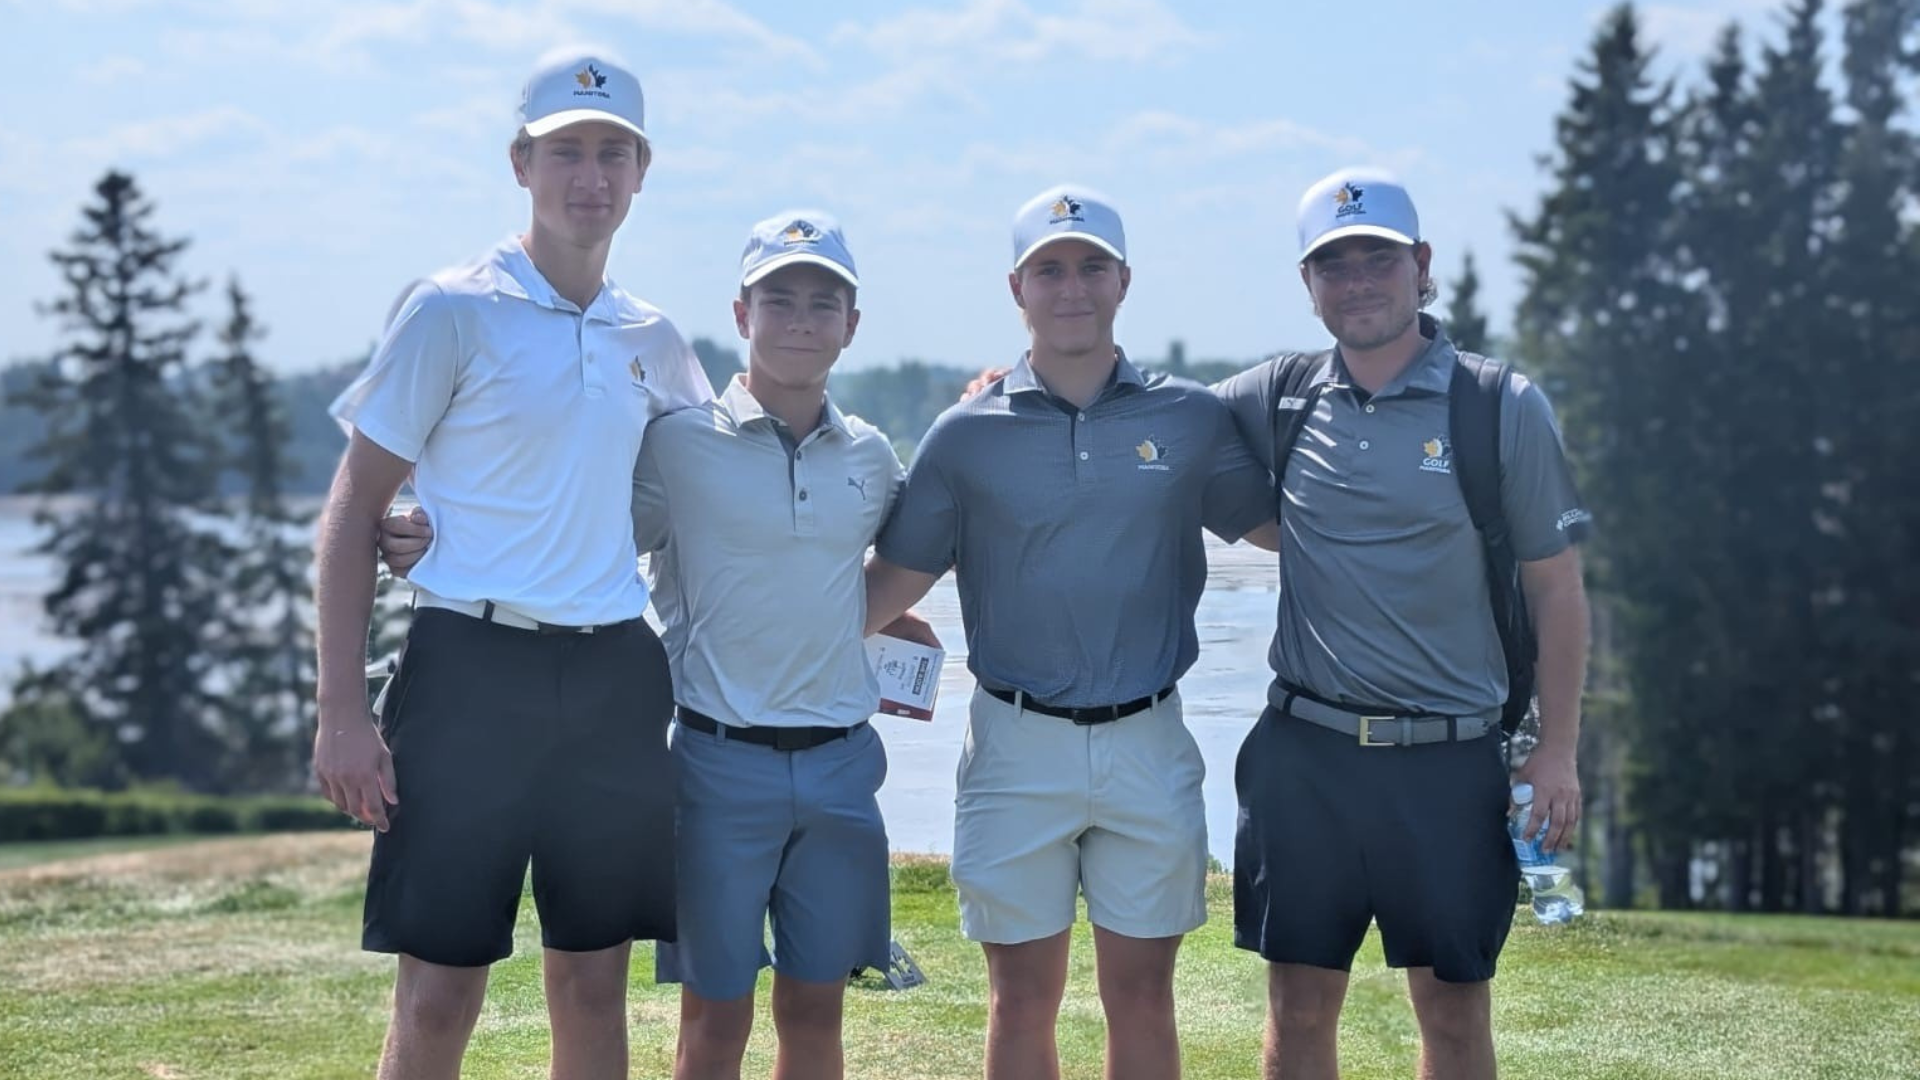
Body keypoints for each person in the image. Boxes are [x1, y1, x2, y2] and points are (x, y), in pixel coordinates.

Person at [379, 211, 925, 1080]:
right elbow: (567, 504)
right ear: (741, 315)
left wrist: (872, 619)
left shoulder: (871, 457)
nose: (799, 320)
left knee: (817, 1014)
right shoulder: (676, 442)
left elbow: (892, 557)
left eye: (824, 304)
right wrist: (428, 525)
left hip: (839, 763)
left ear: (852, 325)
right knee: (711, 1020)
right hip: (711, 758)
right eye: (777, 299)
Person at [311, 46, 712, 1080]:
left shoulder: (654, 338)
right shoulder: (453, 308)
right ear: (520, 164)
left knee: (593, 983)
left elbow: (730, 478)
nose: (592, 177)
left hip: (616, 675)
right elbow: (354, 505)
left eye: (613, 153)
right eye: (566, 151)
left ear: (642, 170)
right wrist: (342, 715)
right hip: (466, 674)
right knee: (439, 990)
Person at [862, 184, 1276, 1080]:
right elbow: (889, 583)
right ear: (1018, 288)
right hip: (1015, 743)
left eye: (1092, 266)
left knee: (1141, 999)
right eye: (1049, 270)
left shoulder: (1189, 418)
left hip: (1148, 739)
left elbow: (1286, 531)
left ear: (1125, 279)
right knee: (1019, 1005)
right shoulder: (965, 433)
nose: (1072, 287)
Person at [1212, 167, 1592, 1080]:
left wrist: (1559, 751)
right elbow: (1149, 417)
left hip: (1450, 760)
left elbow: (1557, 588)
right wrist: (1004, 381)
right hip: (1306, 753)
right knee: (1298, 1012)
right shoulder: (1280, 394)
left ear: (1421, 266)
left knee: (1453, 1018)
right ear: (1309, 286)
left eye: (1377, 258)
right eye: (1332, 264)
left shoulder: (1498, 403)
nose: (1357, 281)